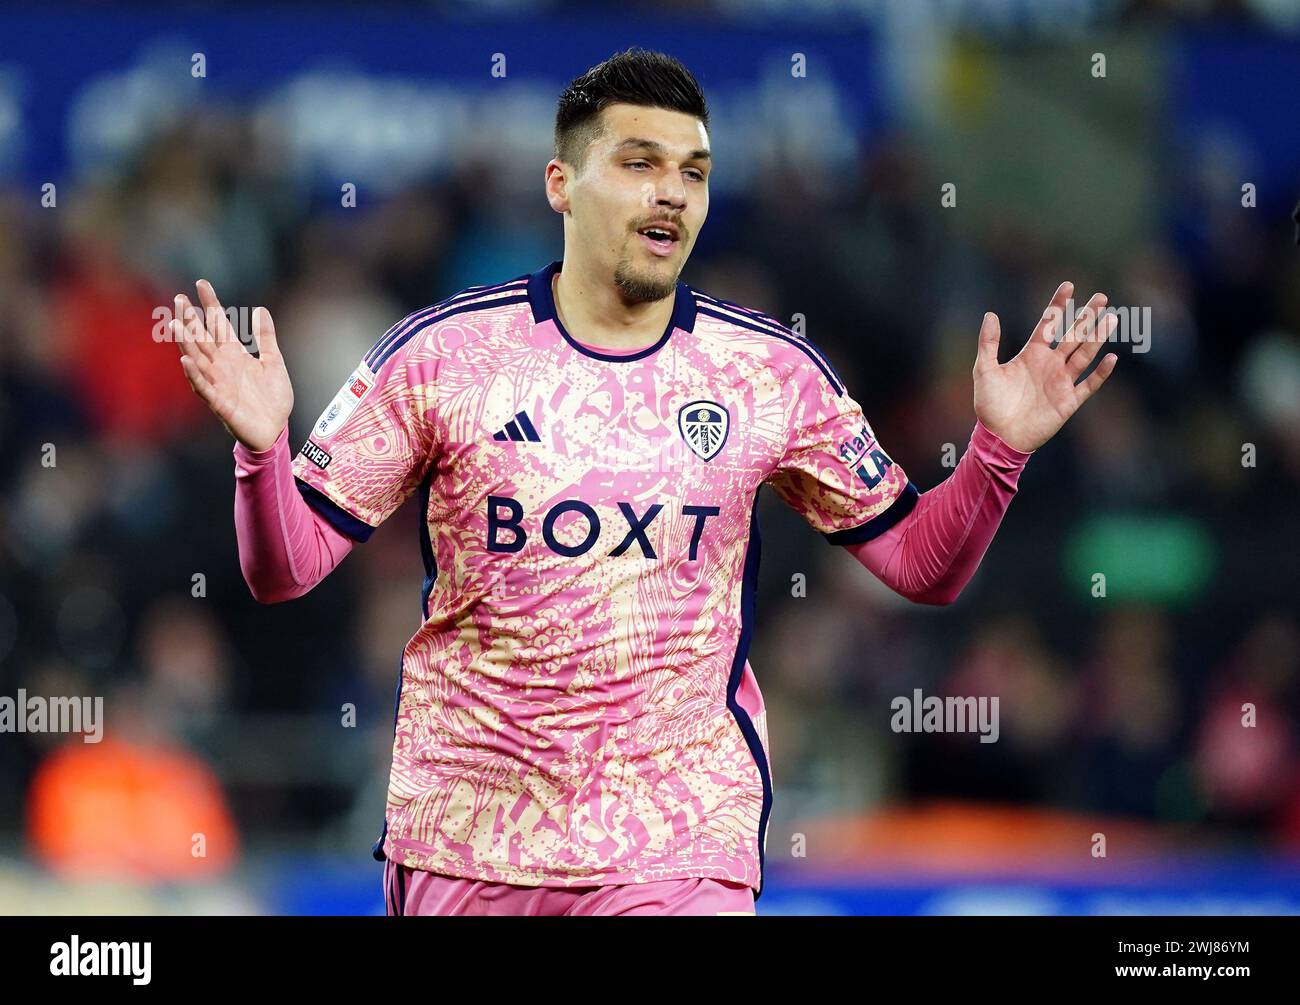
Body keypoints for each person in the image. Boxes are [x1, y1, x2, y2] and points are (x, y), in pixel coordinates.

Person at [171, 47, 1117, 916]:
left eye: (693, 173)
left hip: (677, 845)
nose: (671, 193)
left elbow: (924, 564)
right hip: (469, 842)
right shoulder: (444, 358)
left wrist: (997, 450)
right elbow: (284, 570)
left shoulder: (769, 374)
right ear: (563, 185)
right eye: (638, 163)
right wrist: (261, 452)